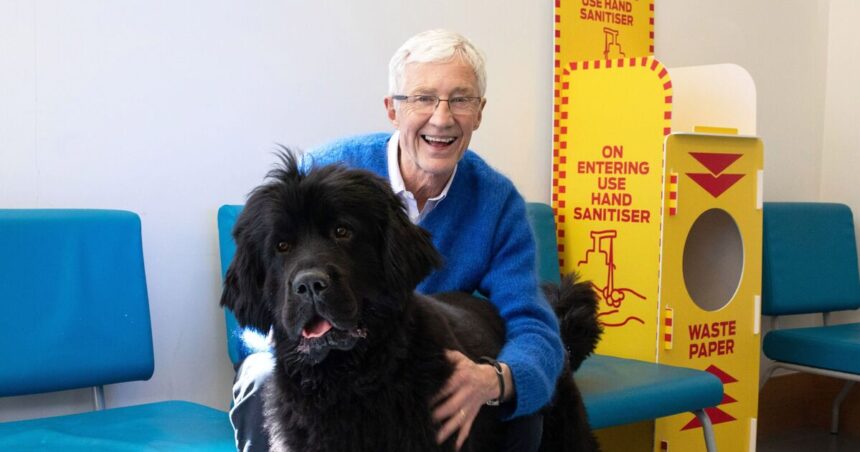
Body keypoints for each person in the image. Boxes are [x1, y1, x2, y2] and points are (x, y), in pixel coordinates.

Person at [230, 29, 564, 452]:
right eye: (423, 98)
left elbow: (532, 324)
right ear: (392, 109)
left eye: (460, 99)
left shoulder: (497, 203)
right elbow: (258, 296)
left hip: (412, 354)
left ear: (479, 112)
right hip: (304, 361)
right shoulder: (319, 174)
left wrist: (495, 380)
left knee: (518, 411)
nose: (441, 118)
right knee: (263, 375)